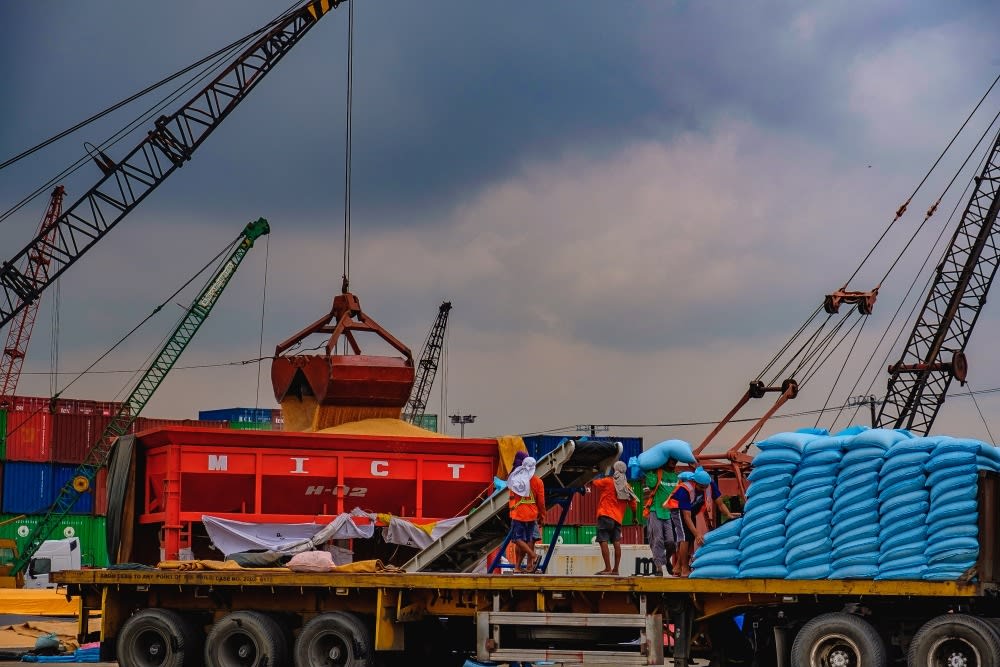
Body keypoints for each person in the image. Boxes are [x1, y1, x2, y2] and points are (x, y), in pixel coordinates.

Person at [587, 460, 639, 575]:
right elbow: (634, 504)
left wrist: (591, 472)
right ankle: (615, 569)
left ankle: (608, 568)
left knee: (603, 540)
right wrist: (634, 518)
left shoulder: (608, 481)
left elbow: (592, 483)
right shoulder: (627, 486)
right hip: (618, 519)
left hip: (605, 515)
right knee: (616, 542)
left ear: (615, 470)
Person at [665, 467, 713, 577]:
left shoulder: (708, 486)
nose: (703, 489)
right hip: (678, 511)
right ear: (695, 482)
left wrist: (695, 534)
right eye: (701, 487)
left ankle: (677, 567)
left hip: (690, 512)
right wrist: (697, 534)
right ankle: (684, 568)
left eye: (705, 487)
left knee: (690, 537)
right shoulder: (685, 490)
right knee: (684, 538)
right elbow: (686, 517)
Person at [643, 457, 683, 577]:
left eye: (675, 460)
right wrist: (651, 470)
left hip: (670, 513)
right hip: (656, 510)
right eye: (671, 460)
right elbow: (650, 484)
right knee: (658, 539)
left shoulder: (677, 477)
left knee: (671, 542)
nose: (673, 462)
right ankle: (658, 568)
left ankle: (666, 560)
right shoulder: (659, 473)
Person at [506, 455, 545, 573]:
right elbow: (541, 501)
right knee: (528, 540)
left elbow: (511, 496)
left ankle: (533, 556)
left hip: (519, 514)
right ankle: (519, 567)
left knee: (517, 539)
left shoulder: (517, 479)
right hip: (532, 515)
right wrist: (542, 516)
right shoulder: (538, 482)